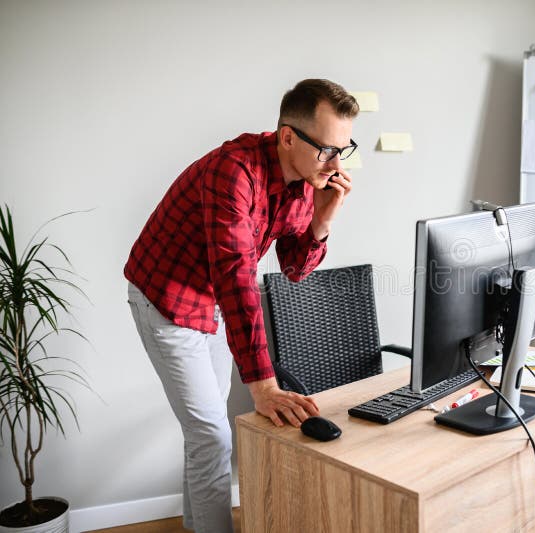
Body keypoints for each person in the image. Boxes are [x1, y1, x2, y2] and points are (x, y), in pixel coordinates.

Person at [124, 79, 359, 532]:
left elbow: (292, 268)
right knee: (211, 436)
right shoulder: (234, 172)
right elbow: (236, 279)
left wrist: (324, 217)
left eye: (343, 150)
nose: (335, 163)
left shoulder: (306, 181)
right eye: (327, 149)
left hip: (211, 302)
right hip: (167, 301)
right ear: (288, 136)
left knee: (205, 437)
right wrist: (263, 385)